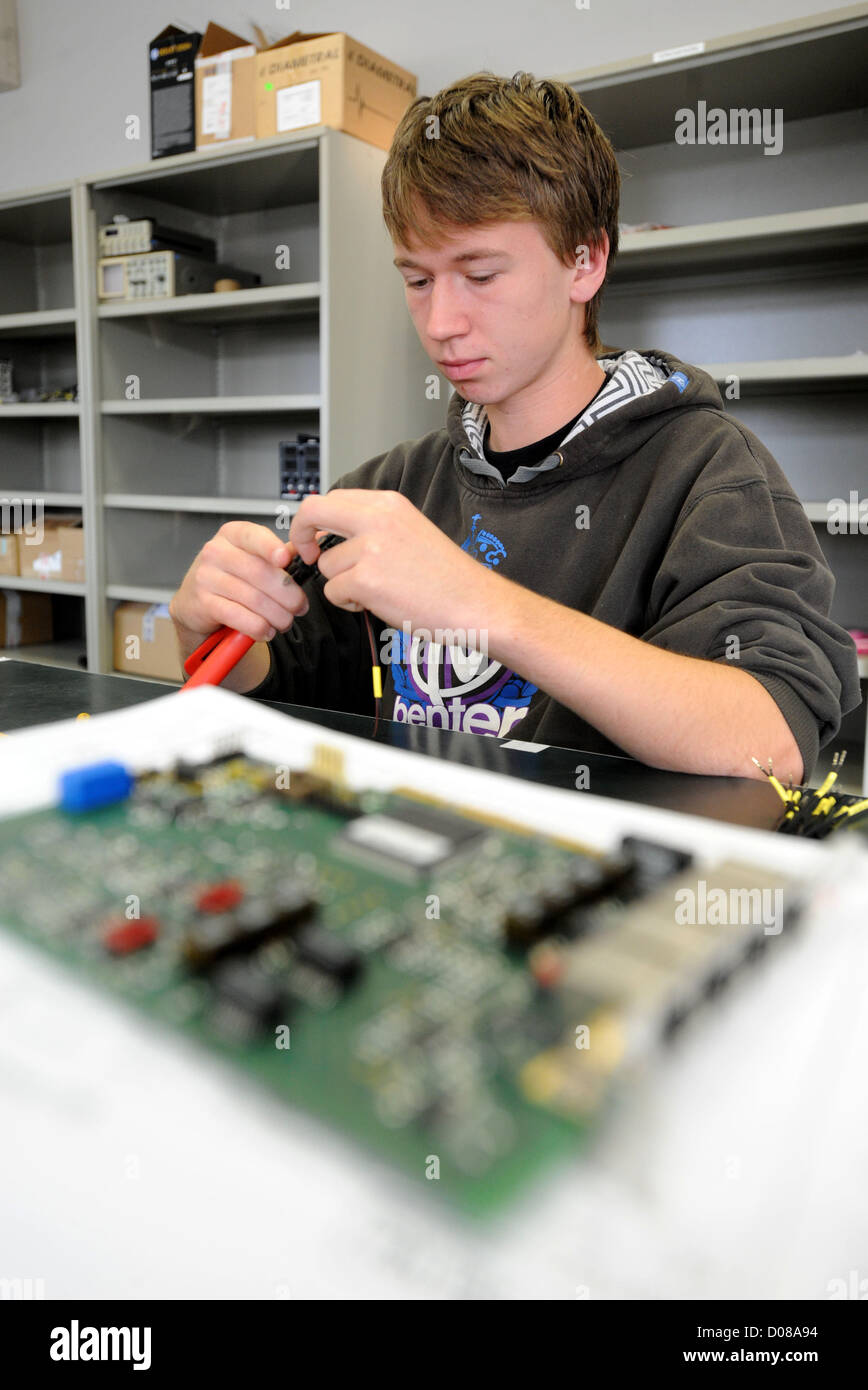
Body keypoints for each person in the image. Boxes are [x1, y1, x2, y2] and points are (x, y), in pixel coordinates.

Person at [169, 71, 861, 785]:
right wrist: (214, 625)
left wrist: (474, 600)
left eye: (481, 274)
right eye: (417, 280)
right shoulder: (392, 489)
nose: (440, 325)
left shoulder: (708, 473)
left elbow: (770, 737)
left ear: (584, 263)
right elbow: (286, 694)